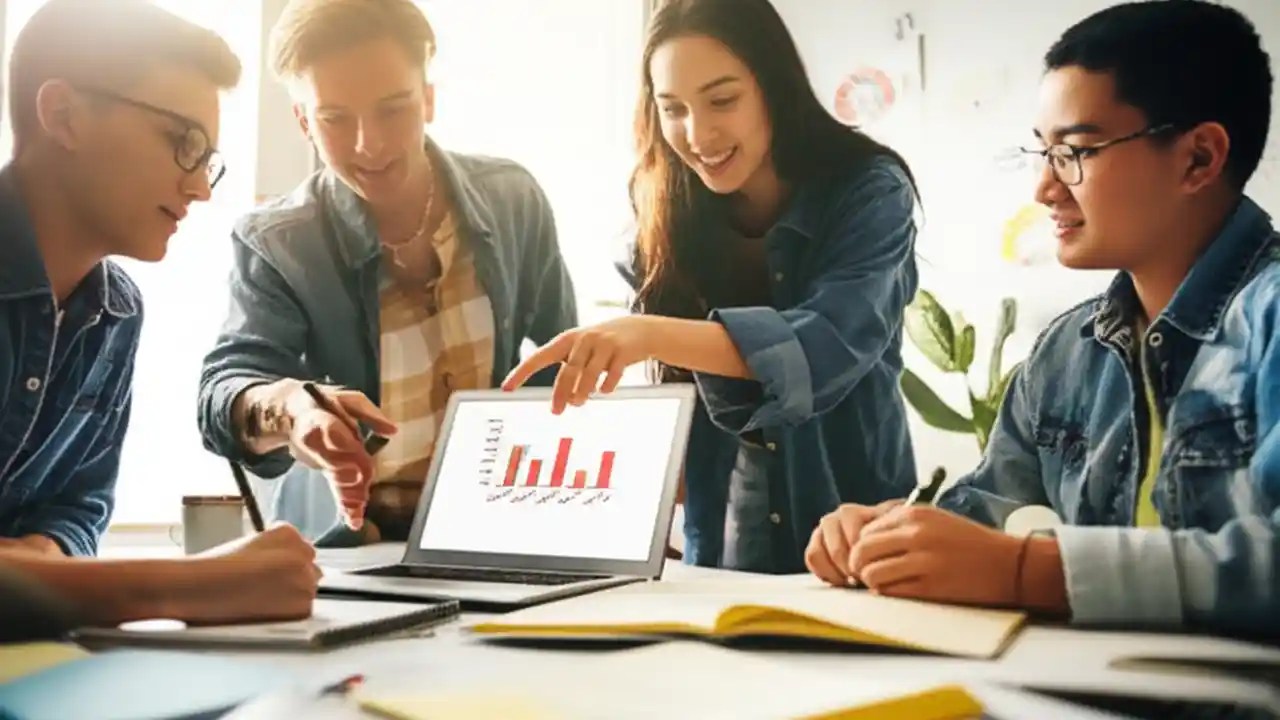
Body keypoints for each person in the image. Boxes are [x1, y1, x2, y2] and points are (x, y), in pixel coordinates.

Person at [806, 0, 1279, 635]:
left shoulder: (1268, 317)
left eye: (1076, 152)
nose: (1045, 189)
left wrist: (1028, 572)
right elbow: (978, 521)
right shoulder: (1067, 350)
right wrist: (887, 536)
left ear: (1199, 158)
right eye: (1043, 153)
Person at [503, 0, 920, 573]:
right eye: (672, 109)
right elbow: (682, 393)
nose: (697, 134)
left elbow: (824, 349)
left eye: (722, 100)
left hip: (852, 520)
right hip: (721, 526)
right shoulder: (659, 220)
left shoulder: (869, 193)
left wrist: (648, 333)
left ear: (773, 86)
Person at [197, 0, 576, 547]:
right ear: (303, 121)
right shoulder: (276, 242)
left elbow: (560, 371)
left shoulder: (513, 199)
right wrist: (294, 410)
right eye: (334, 119)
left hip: (496, 538)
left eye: (393, 109)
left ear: (428, 98)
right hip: (346, 551)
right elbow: (222, 393)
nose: (367, 144)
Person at [0, 0, 317, 622]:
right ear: (63, 114)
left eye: (209, 162)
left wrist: (41, 562)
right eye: (184, 143)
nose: (200, 188)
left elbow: (78, 507)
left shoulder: (117, 312)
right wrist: (196, 585)